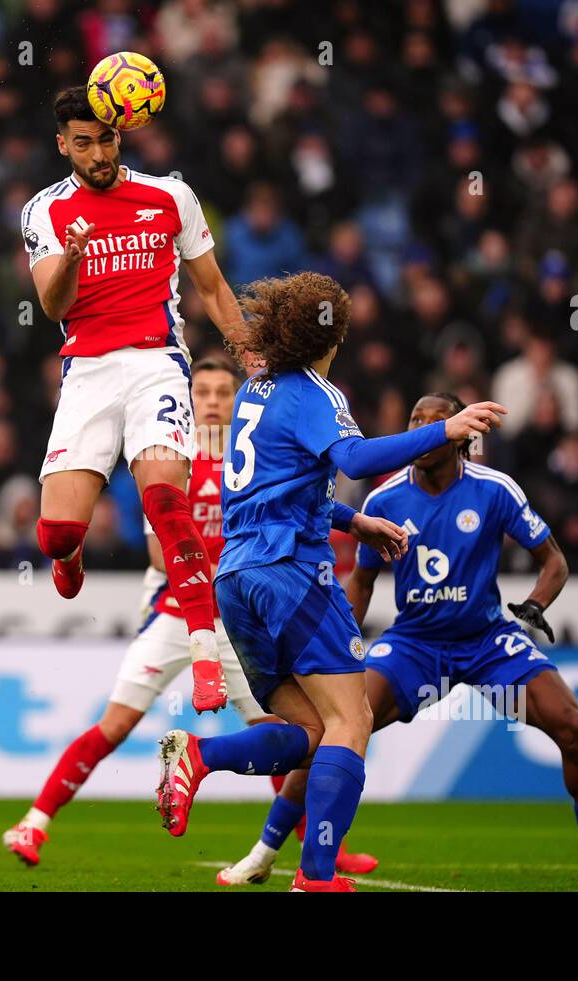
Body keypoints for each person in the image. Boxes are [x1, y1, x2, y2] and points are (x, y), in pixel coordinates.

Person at [152, 273, 506, 891]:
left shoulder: (256, 392)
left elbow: (272, 488)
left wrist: (354, 520)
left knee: (309, 733)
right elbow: (354, 459)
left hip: (235, 578)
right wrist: (445, 430)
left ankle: (199, 755)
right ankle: (316, 876)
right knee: (352, 721)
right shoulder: (316, 390)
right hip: (292, 571)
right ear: (333, 333)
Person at [218, 392, 578, 892]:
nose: (422, 427)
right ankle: (264, 852)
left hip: (487, 640)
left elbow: (554, 560)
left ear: (463, 433)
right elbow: (361, 582)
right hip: (415, 645)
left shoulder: (495, 490)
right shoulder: (384, 499)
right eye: (415, 418)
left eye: (435, 420)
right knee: (336, 729)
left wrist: (535, 604)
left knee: (573, 728)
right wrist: (336, 648)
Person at [22, 85, 248, 713]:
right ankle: (69, 557)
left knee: (166, 501)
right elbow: (52, 305)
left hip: (156, 361)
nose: (98, 152)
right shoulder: (44, 210)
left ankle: (205, 655)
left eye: (107, 139)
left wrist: (250, 354)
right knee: (55, 532)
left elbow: (212, 286)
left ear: (123, 135)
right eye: (84, 142)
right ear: (63, 144)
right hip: (88, 369)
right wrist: (72, 257)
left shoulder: (171, 197)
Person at [3, 358, 279, 867]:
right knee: (115, 724)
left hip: (236, 620)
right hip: (176, 614)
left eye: (224, 392)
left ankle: (322, 846)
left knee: (277, 731)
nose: (215, 402)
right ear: (189, 399)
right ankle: (33, 824)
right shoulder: (169, 455)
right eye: (205, 392)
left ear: (239, 400)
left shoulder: (254, 460)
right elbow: (159, 555)